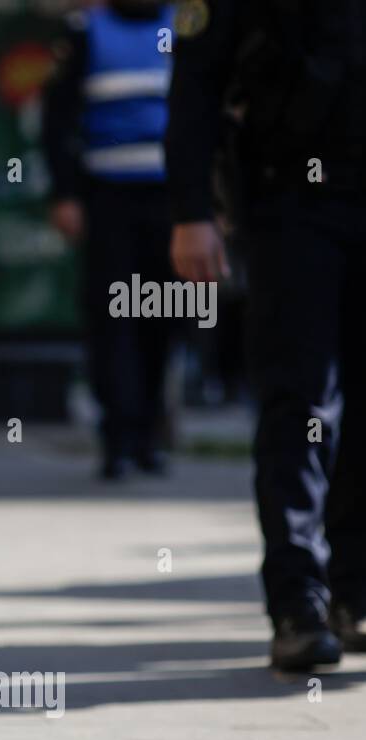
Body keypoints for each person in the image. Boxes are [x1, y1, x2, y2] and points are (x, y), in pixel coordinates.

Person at [167, 0, 366, 671]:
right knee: (300, 401)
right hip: (292, 205)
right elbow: (195, 80)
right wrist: (191, 212)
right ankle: (296, 602)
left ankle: (356, 592)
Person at [41, 0, 178, 481]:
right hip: (108, 199)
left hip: (171, 201)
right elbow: (57, 117)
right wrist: (66, 194)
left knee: (162, 314)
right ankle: (116, 437)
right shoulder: (86, 31)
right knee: (113, 318)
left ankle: (148, 434)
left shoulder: (184, 25)